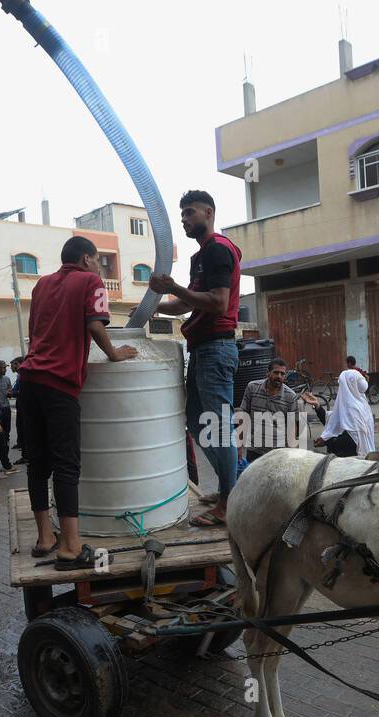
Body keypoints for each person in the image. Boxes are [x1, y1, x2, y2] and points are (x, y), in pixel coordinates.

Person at [19, 235, 137, 569]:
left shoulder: (41, 285)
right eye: (98, 258)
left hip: (29, 380)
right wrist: (114, 354)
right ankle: (70, 548)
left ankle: (45, 538)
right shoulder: (90, 281)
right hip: (59, 384)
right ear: (86, 259)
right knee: (66, 465)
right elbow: (95, 324)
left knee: (37, 464)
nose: (99, 265)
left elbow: (36, 334)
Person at [149, 189, 241, 528]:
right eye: (182, 215)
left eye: (190, 213)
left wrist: (172, 287)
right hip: (202, 348)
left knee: (217, 427)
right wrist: (154, 305)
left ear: (209, 212)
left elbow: (217, 302)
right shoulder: (200, 257)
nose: (185, 219)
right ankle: (230, 489)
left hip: (216, 347)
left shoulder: (218, 249)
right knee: (196, 422)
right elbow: (188, 303)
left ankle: (230, 501)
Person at [237, 357, 321, 465]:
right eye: (276, 373)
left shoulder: (290, 396)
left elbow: (292, 428)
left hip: (278, 453)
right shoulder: (252, 388)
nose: (279, 377)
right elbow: (243, 416)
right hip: (255, 450)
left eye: (282, 374)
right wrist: (239, 446)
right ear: (267, 373)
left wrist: (291, 454)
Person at [315, 367, 374, 457]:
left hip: (350, 461)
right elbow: (332, 422)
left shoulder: (354, 409)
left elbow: (352, 440)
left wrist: (327, 441)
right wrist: (317, 406)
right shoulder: (361, 403)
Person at [0, 359, 14, 463]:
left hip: (6, 408)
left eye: (6, 367)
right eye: (3, 367)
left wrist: (9, 392)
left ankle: (5, 456)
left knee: (7, 433)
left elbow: (10, 389)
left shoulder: (7, 379)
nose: (5, 369)